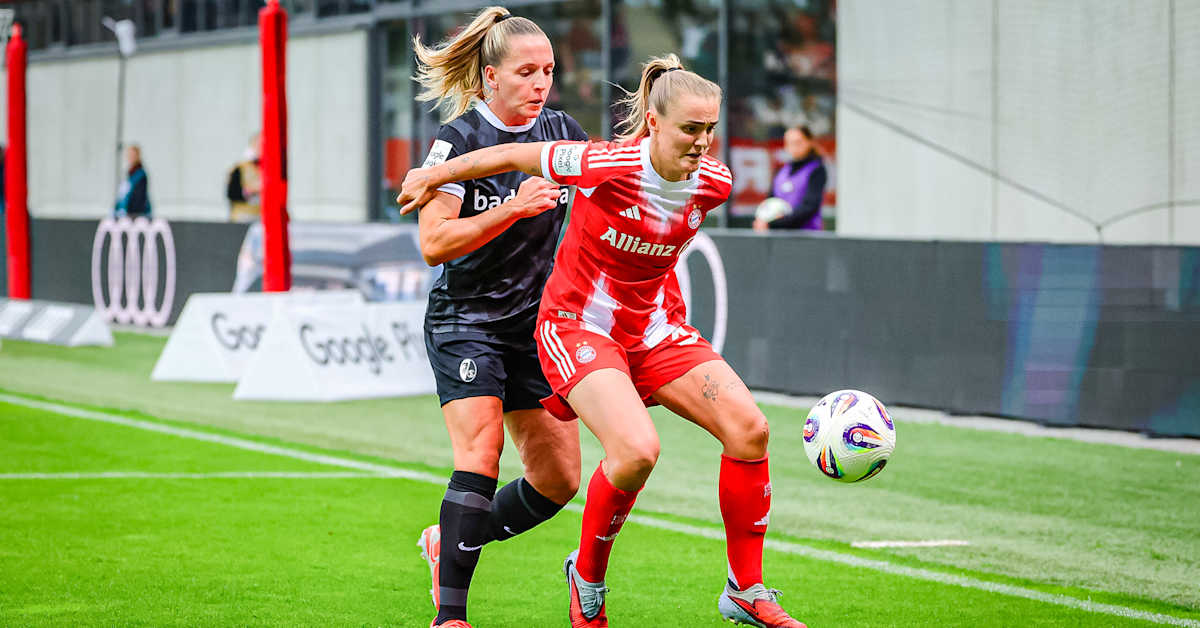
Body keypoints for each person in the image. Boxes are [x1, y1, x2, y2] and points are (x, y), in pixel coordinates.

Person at [399, 54, 806, 628]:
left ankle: (745, 589)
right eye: (690, 129)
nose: (701, 142)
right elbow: (510, 155)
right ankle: (584, 579)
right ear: (654, 123)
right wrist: (433, 176)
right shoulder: (604, 163)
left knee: (751, 429)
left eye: (710, 129)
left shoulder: (714, 183)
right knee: (636, 451)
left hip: (654, 329)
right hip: (578, 326)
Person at [405, 7, 588, 628]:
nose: (541, 84)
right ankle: (450, 617)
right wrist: (512, 207)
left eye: (548, 71)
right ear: (490, 77)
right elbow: (434, 243)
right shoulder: (457, 140)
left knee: (559, 479)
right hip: (467, 319)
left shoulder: (561, 131)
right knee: (481, 453)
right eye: (526, 72)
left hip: (536, 327)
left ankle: (449, 540)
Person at [754, 124, 826, 232]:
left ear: (809, 142)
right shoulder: (782, 171)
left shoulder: (816, 170)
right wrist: (762, 220)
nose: (794, 147)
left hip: (806, 234)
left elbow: (809, 206)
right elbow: (770, 200)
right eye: (790, 143)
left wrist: (774, 224)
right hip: (780, 235)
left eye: (798, 142)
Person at [226, 133, 262, 222]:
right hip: (242, 217)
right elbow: (232, 193)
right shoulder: (240, 168)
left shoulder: (269, 169)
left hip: (262, 217)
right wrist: (249, 191)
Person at [114, 144, 151, 217]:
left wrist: (131, 213)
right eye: (129, 155)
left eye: (133, 155)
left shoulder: (141, 175)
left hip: (136, 214)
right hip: (127, 213)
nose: (130, 157)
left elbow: (139, 198)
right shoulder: (129, 174)